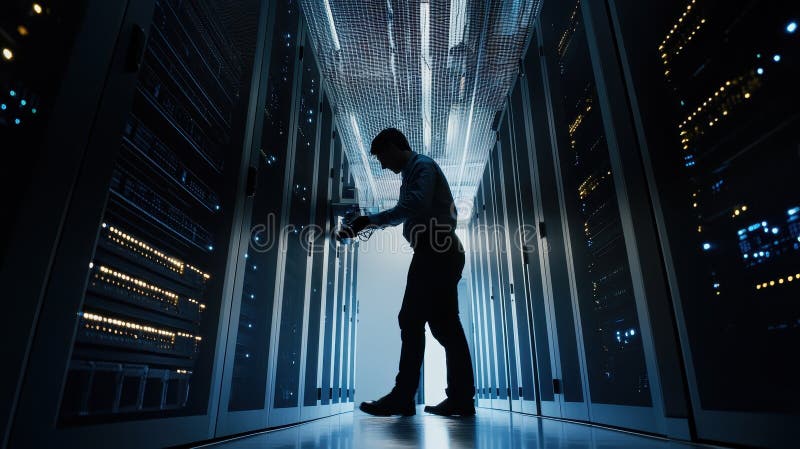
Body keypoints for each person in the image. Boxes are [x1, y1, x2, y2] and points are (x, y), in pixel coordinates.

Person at [337, 128, 476, 417]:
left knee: (412, 318)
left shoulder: (421, 166)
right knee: (446, 327)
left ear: (394, 145)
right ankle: (460, 398)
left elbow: (414, 205)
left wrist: (369, 221)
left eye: (382, 157)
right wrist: (371, 223)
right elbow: (412, 207)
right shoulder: (412, 174)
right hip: (438, 250)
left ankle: (403, 396)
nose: (383, 165)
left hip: (435, 249)